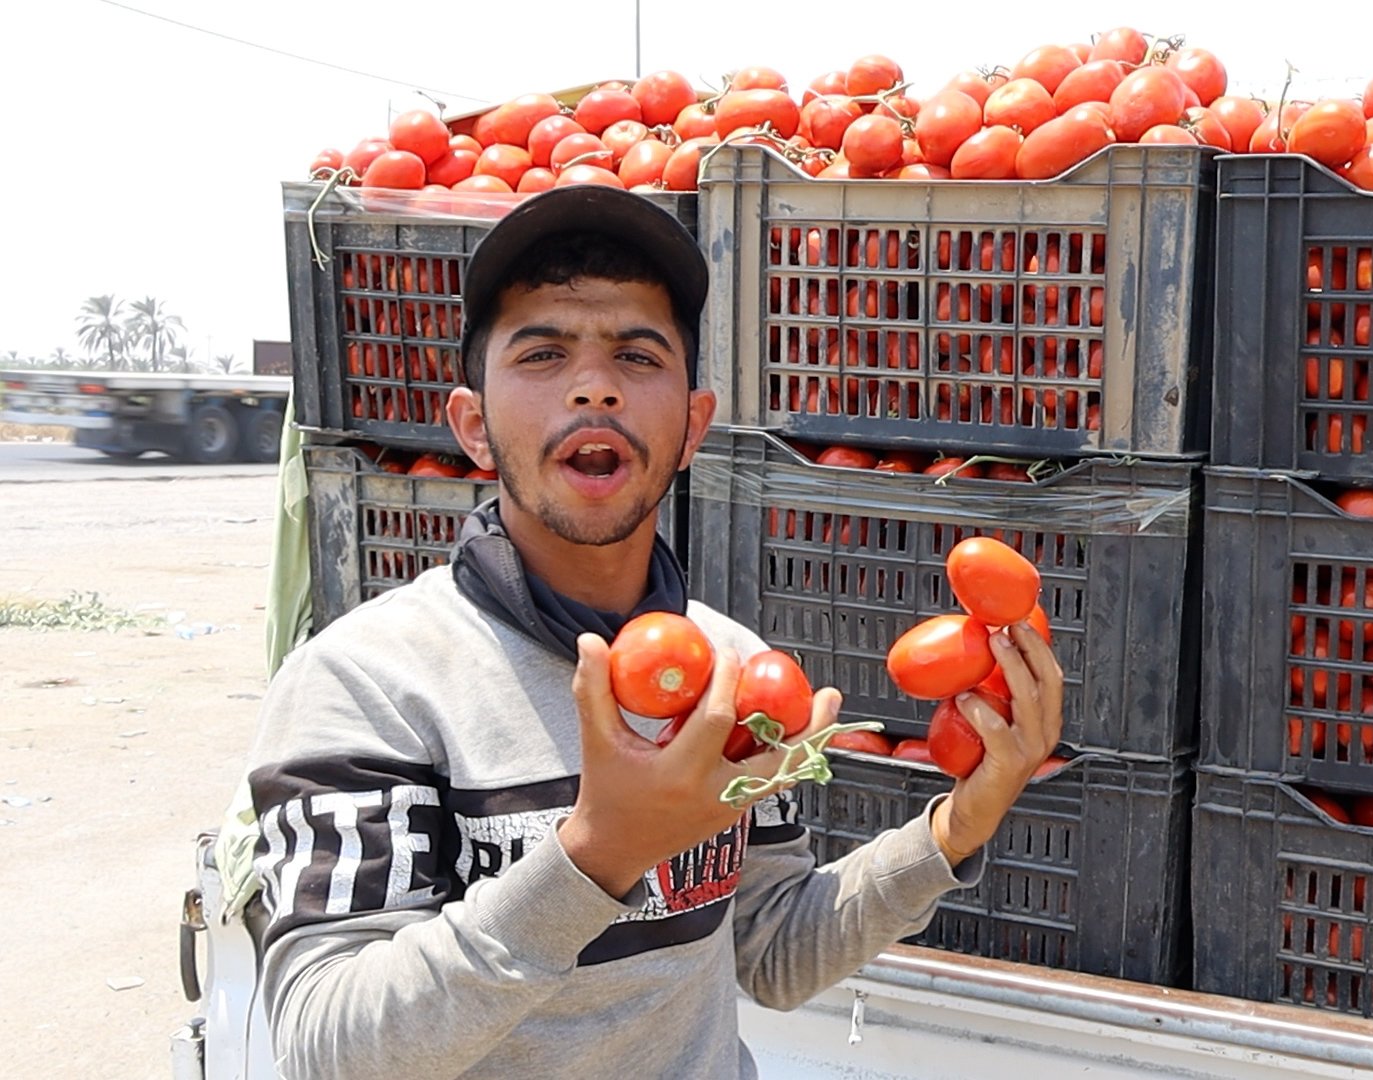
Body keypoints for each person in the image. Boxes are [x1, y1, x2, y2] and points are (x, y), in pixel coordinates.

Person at [244, 185, 1066, 1079]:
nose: (594, 384)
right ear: (473, 427)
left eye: (638, 355)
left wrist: (958, 824)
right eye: (544, 352)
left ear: (691, 429)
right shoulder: (366, 684)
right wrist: (597, 853)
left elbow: (773, 952)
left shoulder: (741, 680)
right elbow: (329, 1048)